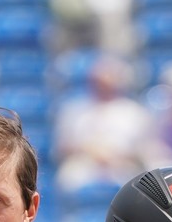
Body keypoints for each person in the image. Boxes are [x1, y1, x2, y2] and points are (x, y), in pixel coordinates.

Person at [52, 56, 152, 194]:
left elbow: (143, 150)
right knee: (68, 179)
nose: (104, 85)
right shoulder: (73, 109)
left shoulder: (134, 111)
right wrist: (91, 152)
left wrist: (113, 156)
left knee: (134, 182)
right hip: (83, 162)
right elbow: (62, 147)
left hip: (121, 164)